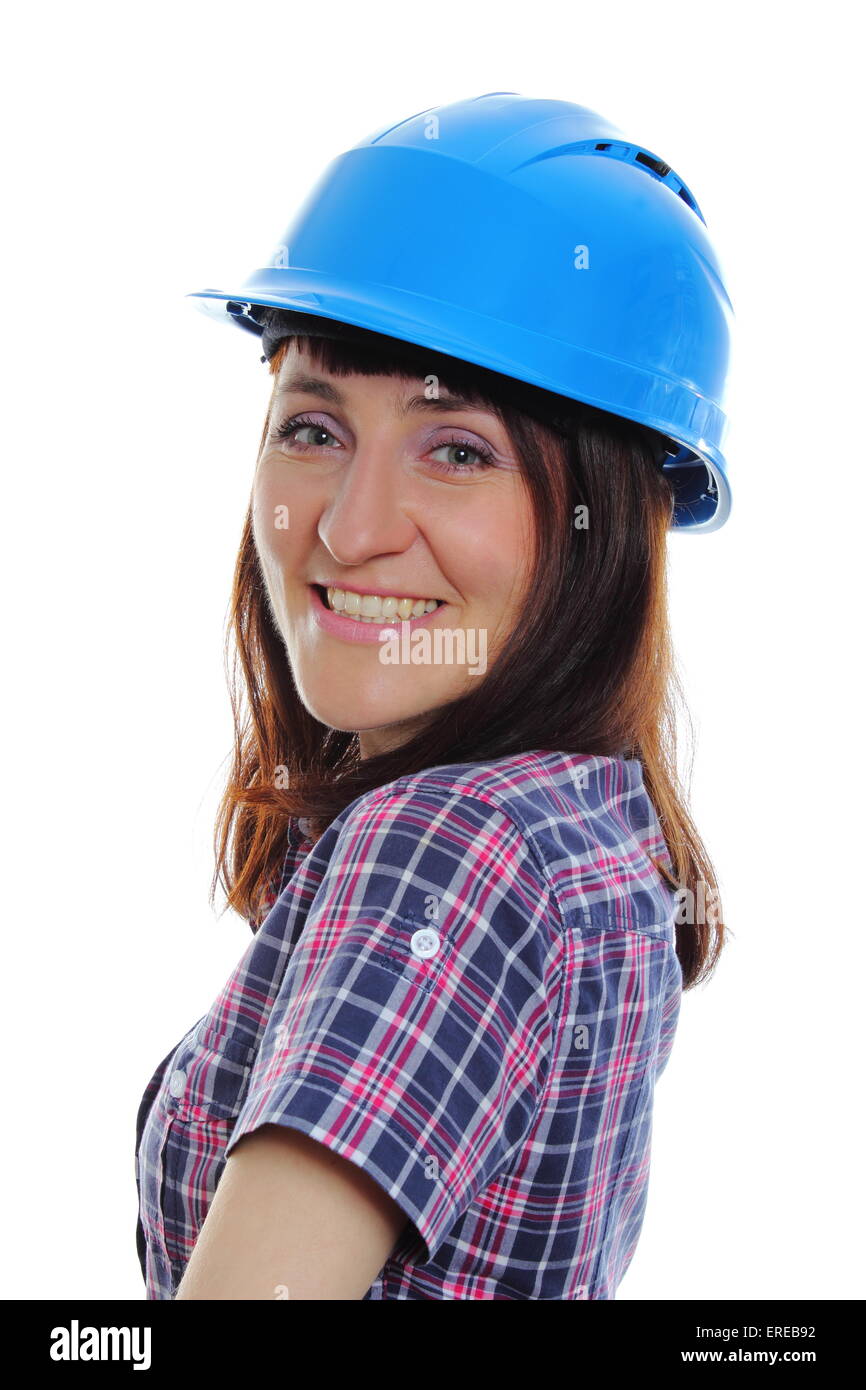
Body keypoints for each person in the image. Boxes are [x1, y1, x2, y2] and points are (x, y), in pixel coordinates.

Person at [134, 91, 733, 1300]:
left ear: (599, 517)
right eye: (312, 427)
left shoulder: (451, 845)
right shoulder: (594, 827)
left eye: (455, 448)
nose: (348, 531)